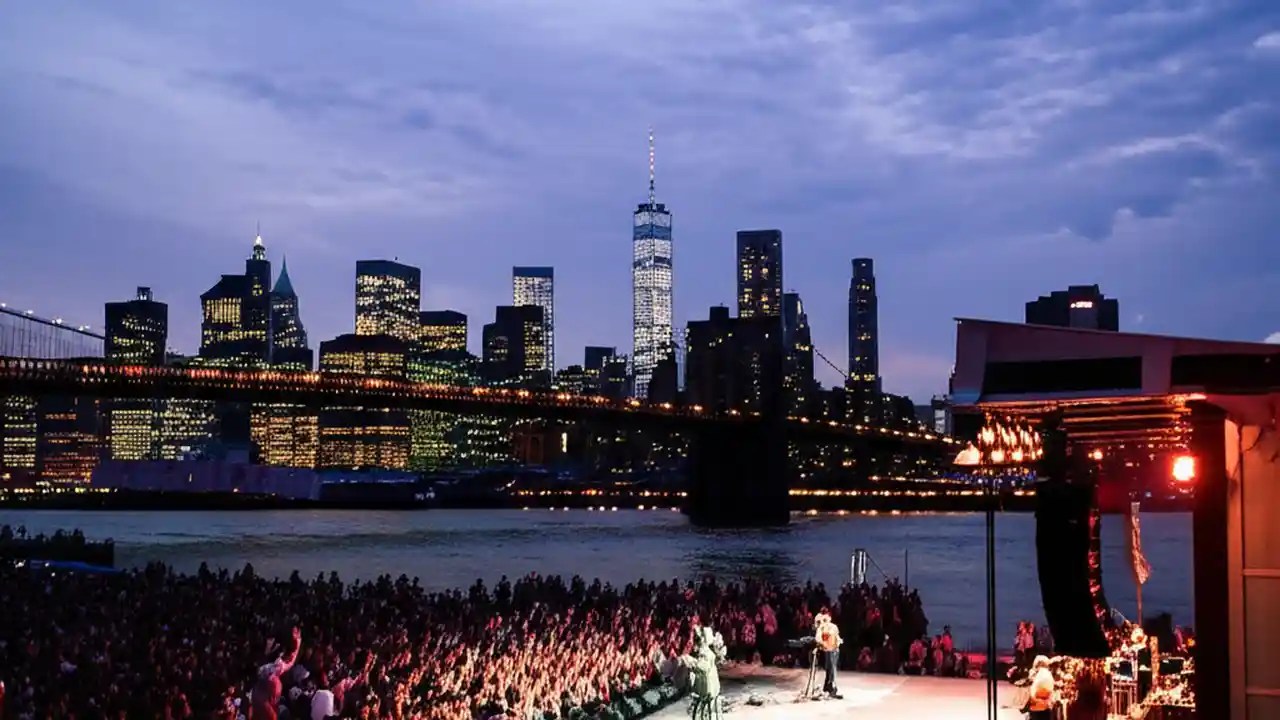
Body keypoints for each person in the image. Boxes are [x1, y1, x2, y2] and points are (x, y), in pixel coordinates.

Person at [815, 610, 843, 700]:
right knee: (829, 668)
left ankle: (830, 687)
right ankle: (828, 687)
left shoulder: (833, 627)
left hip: (833, 649)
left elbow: (836, 637)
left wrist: (837, 643)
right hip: (827, 649)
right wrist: (822, 644)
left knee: (832, 668)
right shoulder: (821, 626)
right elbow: (819, 638)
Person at [1026, 655, 1054, 719]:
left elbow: (1032, 691)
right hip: (1045, 707)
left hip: (1036, 706)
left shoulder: (1036, 674)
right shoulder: (1048, 674)